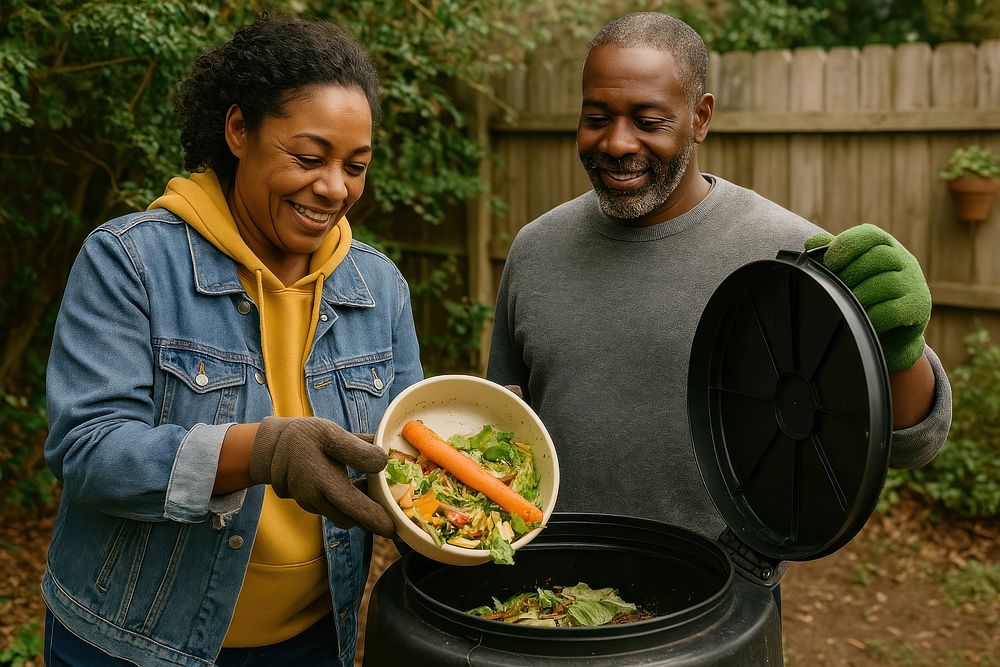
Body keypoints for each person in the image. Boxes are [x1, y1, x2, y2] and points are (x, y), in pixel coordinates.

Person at [487, 12, 952, 588]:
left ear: (700, 117)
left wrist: (901, 348)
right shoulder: (535, 250)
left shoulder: (785, 255)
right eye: (596, 118)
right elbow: (504, 427)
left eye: (649, 120)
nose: (617, 143)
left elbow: (912, 441)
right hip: (550, 593)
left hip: (722, 603)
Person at [41, 14, 422, 667]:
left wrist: (471, 471)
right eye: (309, 157)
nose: (334, 187)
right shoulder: (130, 262)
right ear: (239, 130)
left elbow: (404, 447)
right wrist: (262, 449)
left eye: (355, 166)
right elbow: (88, 451)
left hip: (310, 641)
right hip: (134, 642)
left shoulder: (379, 287)